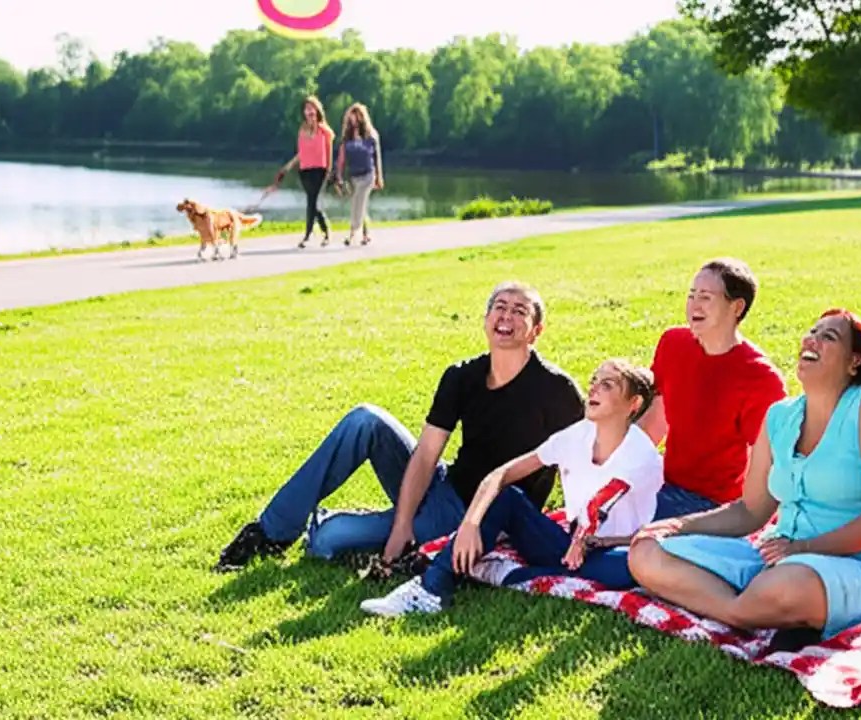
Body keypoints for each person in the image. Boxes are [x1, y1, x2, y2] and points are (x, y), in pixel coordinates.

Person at [215, 281, 585, 570]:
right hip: (444, 485)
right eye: (499, 307)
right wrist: (401, 525)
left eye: (520, 311)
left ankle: (337, 524)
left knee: (325, 541)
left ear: (536, 330)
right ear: (486, 321)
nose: (506, 316)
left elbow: (584, 461)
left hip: (481, 514)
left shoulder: (557, 390)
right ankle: (269, 532)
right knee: (365, 419)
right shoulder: (461, 376)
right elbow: (425, 453)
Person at [628, 309, 861, 652]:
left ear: (854, 361)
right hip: (777, 557)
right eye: (812, 331)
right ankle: (742, 612)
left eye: (829, 337)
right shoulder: (780, 416)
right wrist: (676, 527)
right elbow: (750, 511)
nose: (812, 340)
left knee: (788, 584)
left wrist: (806, 549)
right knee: (645, 551)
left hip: (859, 564)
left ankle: (744, 607)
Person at [359, 359, 662, 616]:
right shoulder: (577, 435)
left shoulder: (639, 453)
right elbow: (500, 475)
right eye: (595, 380)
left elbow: (600, 506)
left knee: (634, 569)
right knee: (507, 498)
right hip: (568, 545)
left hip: (621, 552)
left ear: (633, 405)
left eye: (608, 385)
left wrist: (590, 543)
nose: (594, 387)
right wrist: (470, 523)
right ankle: (431, 589)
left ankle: (524, 575)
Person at [636, 258, 787, 519]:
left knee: (613, 533)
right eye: (691, 295)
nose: (694, 305)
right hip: (663, 485)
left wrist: (750, 523)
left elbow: (768, 464)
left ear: (736, 307)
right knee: (587, 515)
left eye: (706, 297)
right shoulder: (673, 344)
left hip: (711, 506)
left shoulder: (760, 377)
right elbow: (655, 422)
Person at [269, 95, 335, 249]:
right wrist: (288, 166)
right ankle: (317, 233)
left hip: (320, 170)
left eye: (312, 108)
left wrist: (330, 171)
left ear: (317, 110)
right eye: (307, 109)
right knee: (311, 203)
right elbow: (301, 153)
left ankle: (312, 234)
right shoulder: (302, 130)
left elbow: (329, 149)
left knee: (314, 203)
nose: (309, 111)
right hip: (305, 170)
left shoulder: (324, 130)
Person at [333, 102, 384, 247]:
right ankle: (366, 235)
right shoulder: (347, 137)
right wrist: (338, 175)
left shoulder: (371, 135)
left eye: (356, 117)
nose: (353, 120)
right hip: (354, 176)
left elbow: (377, 157)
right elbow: (341, 158)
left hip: (368, 174)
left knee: (357, 201)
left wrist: (379, 177)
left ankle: (352, 233)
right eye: (351, 117)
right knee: (361, 205)